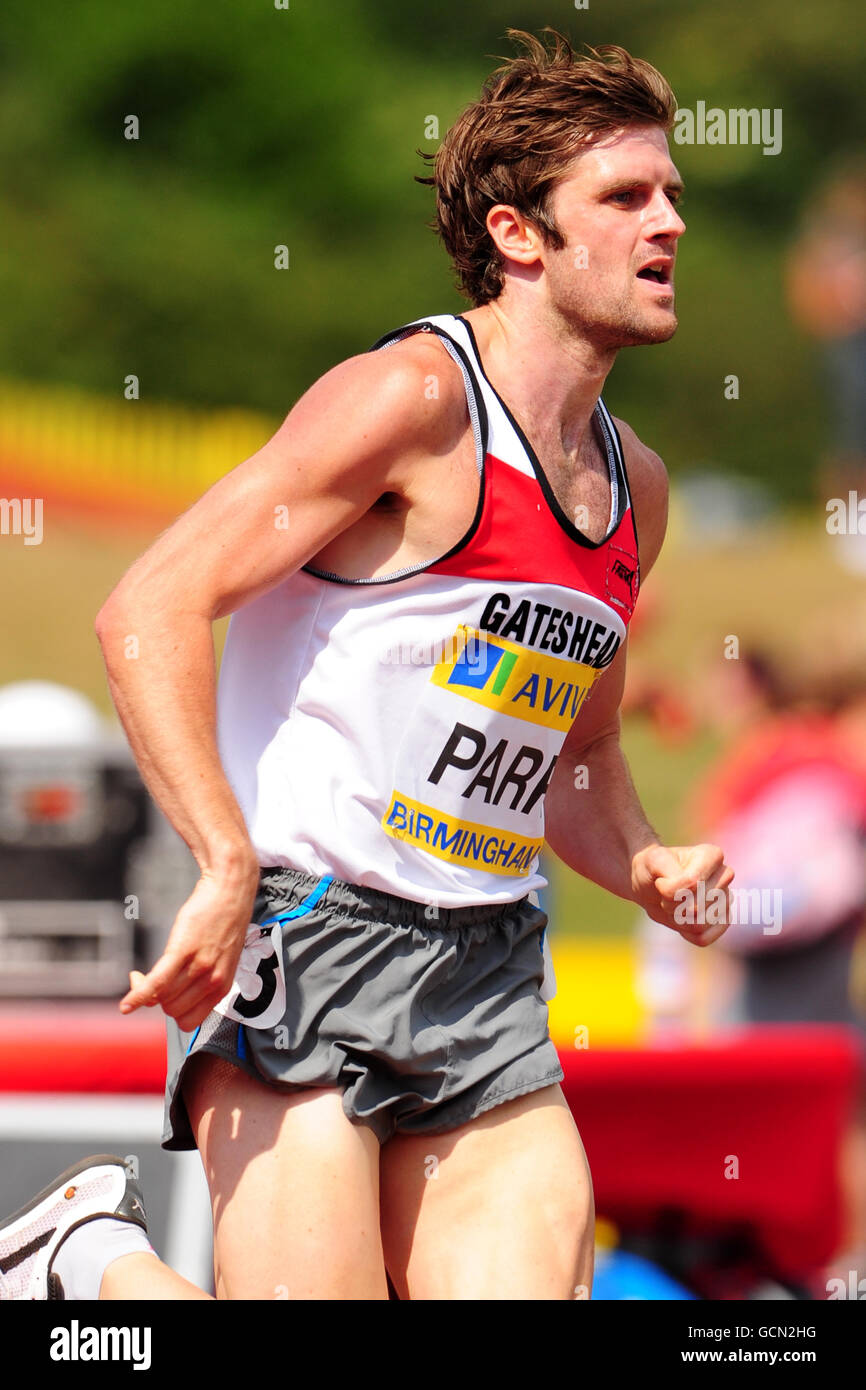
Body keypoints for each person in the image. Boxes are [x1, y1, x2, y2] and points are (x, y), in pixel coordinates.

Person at [0, 29, 732, 1302]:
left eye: (671, 192)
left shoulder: (636, 492)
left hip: (491, 969)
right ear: (519, 235)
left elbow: (582, 756)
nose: (667, 220)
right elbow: (150, 607)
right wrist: (223, 859)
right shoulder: (408, 402)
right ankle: (90, 1262)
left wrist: (647, 860)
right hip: (309, 940)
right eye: (624, 196)